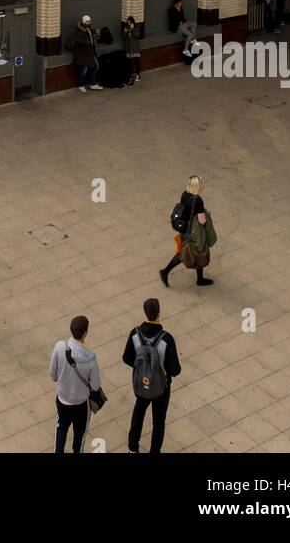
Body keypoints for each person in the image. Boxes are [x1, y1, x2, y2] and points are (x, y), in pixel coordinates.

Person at [122, 298, 181, 455]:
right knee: (159, 421)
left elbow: (127, 358)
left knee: (138, 414)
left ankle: (132, 447)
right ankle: (155, 450)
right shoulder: (167, 339)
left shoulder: (135, 334)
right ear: (159, 314)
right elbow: (175, 369)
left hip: (141, 384)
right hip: (161, 388)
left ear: (145, 313)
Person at [49, 315, 101, 454]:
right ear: (85, 333)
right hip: (81, 405)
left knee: (61, 428)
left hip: (63, 400)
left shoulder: (60, 347)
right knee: (80, 433)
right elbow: (95, 385)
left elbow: (52, 374)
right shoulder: (90, 357)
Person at [160, 176, 214, 287]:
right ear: (196, 186)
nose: (203, 184)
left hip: (184, 227)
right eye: (201, 182)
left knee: (194, 251)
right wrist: (204, 211)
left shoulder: (185, 193)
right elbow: (202, 221)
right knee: (191, 252)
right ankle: (165, 271)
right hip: (193, 231)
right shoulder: (198, 200)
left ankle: (200, 279)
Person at [66, 15, 102, 92]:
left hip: (89, 53)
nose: (89, 22)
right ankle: (80, 85)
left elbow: (89, 32)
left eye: (90, 21)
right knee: (83, 70)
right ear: (84, 22)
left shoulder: (87, 29)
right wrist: (88, 42)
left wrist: (95, 31)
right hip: (82, 54)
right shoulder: (80, 31)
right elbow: (79, 40)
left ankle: (92, 83)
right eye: (87, 21)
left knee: (96, 66)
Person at [121, 16, 141, 83]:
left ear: (132, 22)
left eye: (130, 22)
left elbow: (137, 36)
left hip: (134, 48)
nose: (129, 23)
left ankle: (138, 74)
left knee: (136, 61)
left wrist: (132, 29)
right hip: (128, 48)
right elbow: (124, 37)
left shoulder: (136, 27)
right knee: (129, 63)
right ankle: (131, 74)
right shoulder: (126, 27)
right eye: (128, 22)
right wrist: (125, 32)